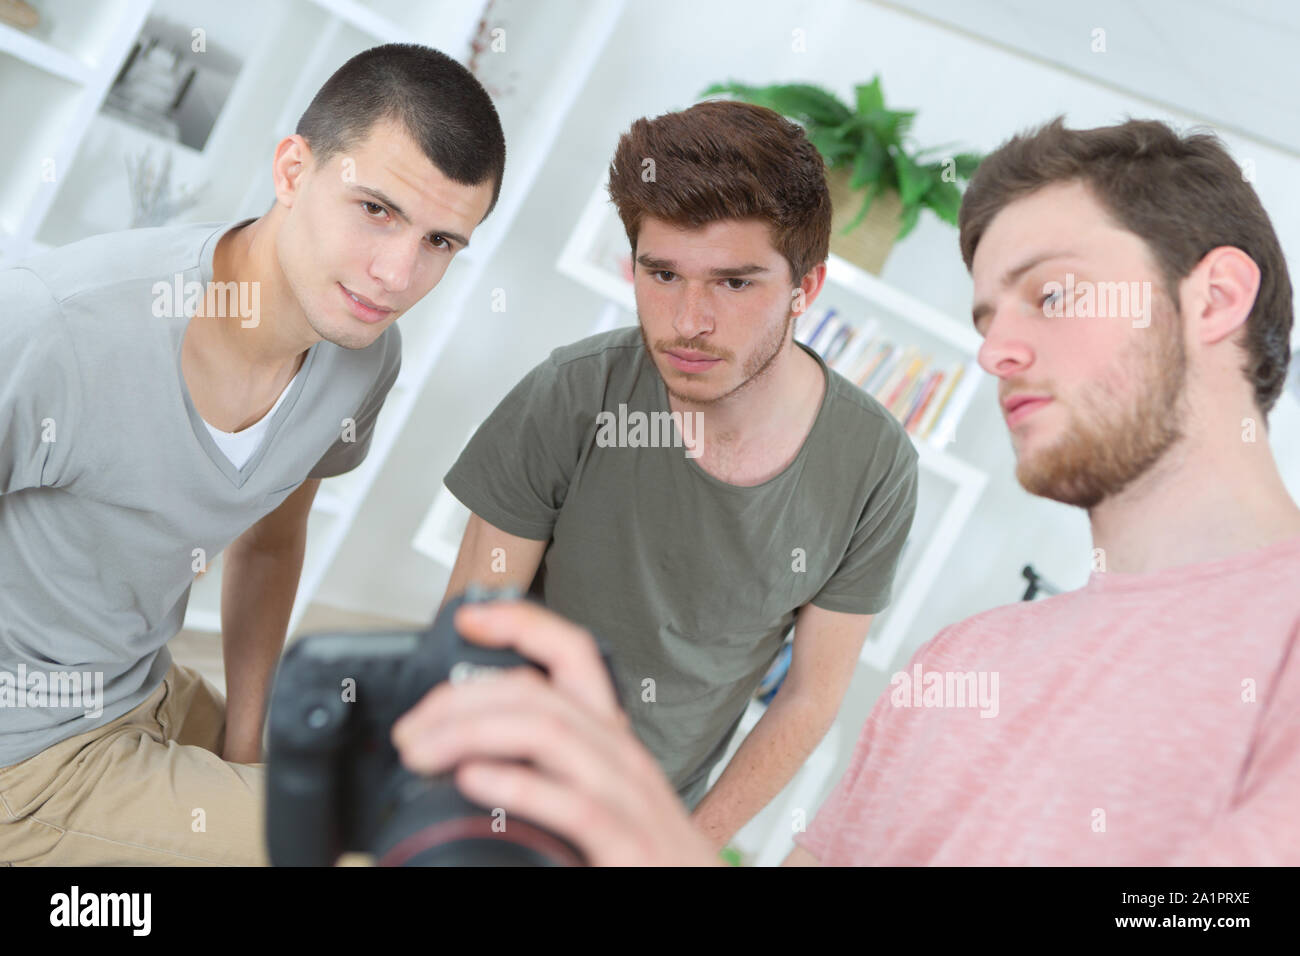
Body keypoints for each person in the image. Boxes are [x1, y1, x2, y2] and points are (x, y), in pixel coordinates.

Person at [394, 116, 1300, 865]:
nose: (994, 352)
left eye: (1053, 295)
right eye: (989, 314)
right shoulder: (962, 662)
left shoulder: (873, 470)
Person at [0, 43, 505, 866]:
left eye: (441, 241)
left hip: (146, 692)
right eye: (375, 208)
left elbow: (271, 539)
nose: (394, 273)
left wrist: (245, 741)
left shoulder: (363, 354)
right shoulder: (61, 326)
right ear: (292, 170)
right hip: (27, 759)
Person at [437, 99, 919, 847]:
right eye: (663, 274)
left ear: (807, 289)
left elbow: (809, 698)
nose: (688, 320)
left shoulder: (876, 467)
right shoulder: (573, 394)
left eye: (734, 283)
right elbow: (471, 627)